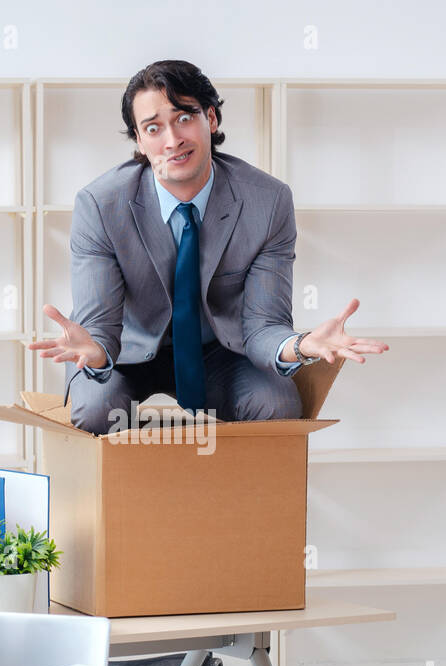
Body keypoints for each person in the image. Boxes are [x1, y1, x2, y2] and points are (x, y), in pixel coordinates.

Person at [30, 59, 388, 434]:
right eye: (153, 128)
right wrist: (96, 351)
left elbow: (264, 325)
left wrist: (302, 346)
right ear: (138, 140)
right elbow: (100, 327)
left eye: (184, 118)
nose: (172, 140)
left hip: (220, 350)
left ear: (211, 119)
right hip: (125, 352)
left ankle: (236, 492)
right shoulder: (101, 206)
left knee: (279, 404)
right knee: (96, 408)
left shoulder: (267, 202)